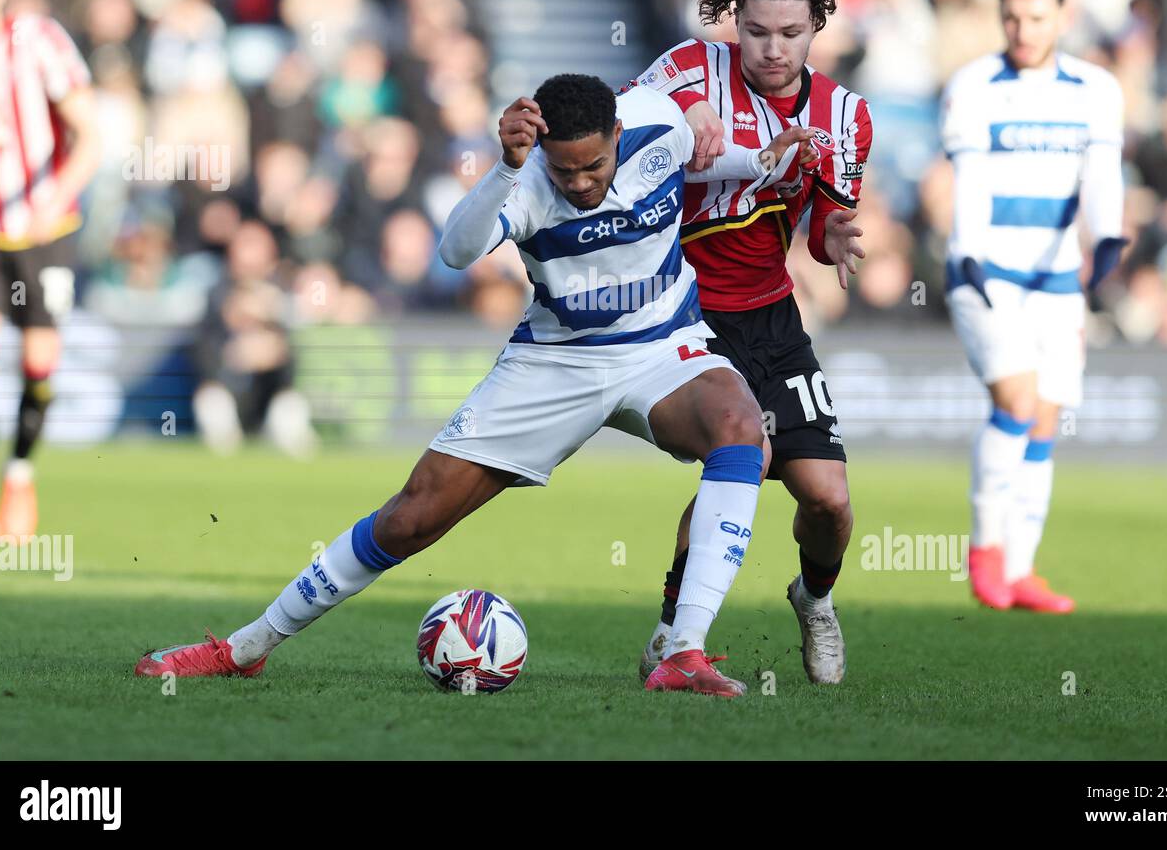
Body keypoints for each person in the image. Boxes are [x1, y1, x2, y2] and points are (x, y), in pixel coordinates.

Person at [134, 74, 807, 698]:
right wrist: (510, 167)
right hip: (554, 362)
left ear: (618, 138)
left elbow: (698, 157)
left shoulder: (657, 120)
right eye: (563, 169)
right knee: (411, 517)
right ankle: (247, 646)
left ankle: (683, 650)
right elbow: (456, 251)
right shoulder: (530, 177)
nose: (578, 183)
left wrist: (759, 163)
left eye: (593, 167)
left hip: (662, 346)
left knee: (742, 428)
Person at [626, 0, 872, 685]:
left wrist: (831, 237)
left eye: (790, 33)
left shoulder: (845, 117)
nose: (772, 47)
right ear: (736, 23)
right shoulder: (693, 66)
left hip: (772, 317)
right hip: (687, 315)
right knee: (737, 462)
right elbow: (628, 108)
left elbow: (826, 233)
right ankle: (674, 633)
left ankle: (815, 599)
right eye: (757, 31)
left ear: (816, 29)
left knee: (829, 502)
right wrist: (688, 103)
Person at [942, 0, 1126, 613]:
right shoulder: (973, 86)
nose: (1023, 31)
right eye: (1013, 18)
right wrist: (966, 252)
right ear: (1000, 18)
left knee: (1046, 419)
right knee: (1017, 402)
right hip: (985, 273)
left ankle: (1020, 569)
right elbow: (968, 180)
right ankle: (985, 552)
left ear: (1062, 19)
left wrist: (1109, 236)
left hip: (1054, 280)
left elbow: (1101, 174)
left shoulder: (1096, 90)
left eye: (1037, 18)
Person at [0, 0, 99, 542]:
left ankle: (19, 471)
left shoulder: (39, 42)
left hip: (46, 233)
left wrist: (57, 192)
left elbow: (91, 134)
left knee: (39, 363)